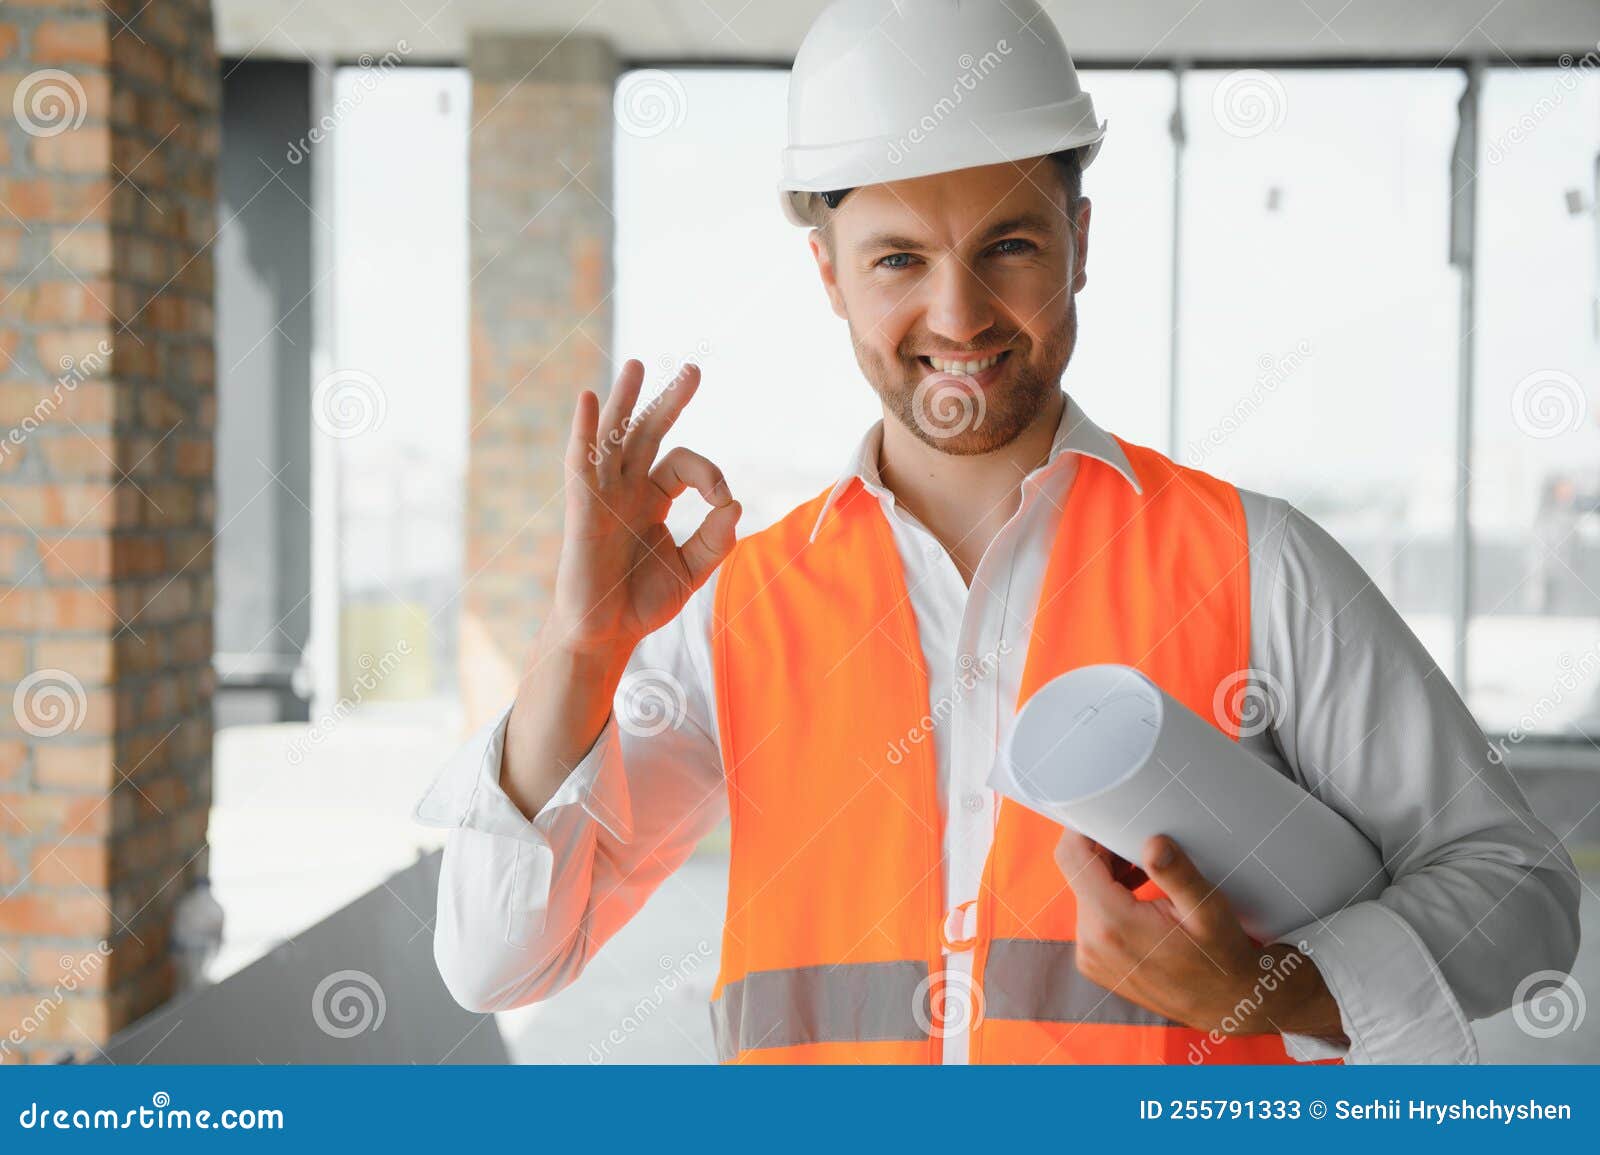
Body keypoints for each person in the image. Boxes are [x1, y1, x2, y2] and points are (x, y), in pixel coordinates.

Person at [414, 0, 1580, 1064]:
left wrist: (1285, 985)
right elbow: (497, 960)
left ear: (1080, 238)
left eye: (1008, 245)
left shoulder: (1251, 562)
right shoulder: (740, 612)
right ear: (827, 273)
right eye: (898, 261)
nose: (958, 313)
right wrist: (579, 651)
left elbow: (1520, 896)